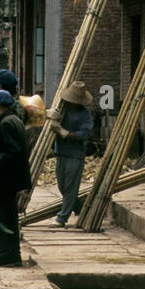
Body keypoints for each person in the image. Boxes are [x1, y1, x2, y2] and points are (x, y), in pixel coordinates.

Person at [0, 90, 31, 267]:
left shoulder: (6, 124)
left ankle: (0, 255)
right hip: (13, 178)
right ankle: (11, 255)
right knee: (8, 217)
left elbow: (13, 152)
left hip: (7, 179)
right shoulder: (14, 120)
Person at [50, 81, 94, 228]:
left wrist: (66, 133)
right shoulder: (62, 109)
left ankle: (62, 218)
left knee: (70, 187)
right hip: (61, 151)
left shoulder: (85, 115)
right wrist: (48, 115)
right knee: (63, 186)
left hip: (75, 154)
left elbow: (84, 134)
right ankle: (80, 208)